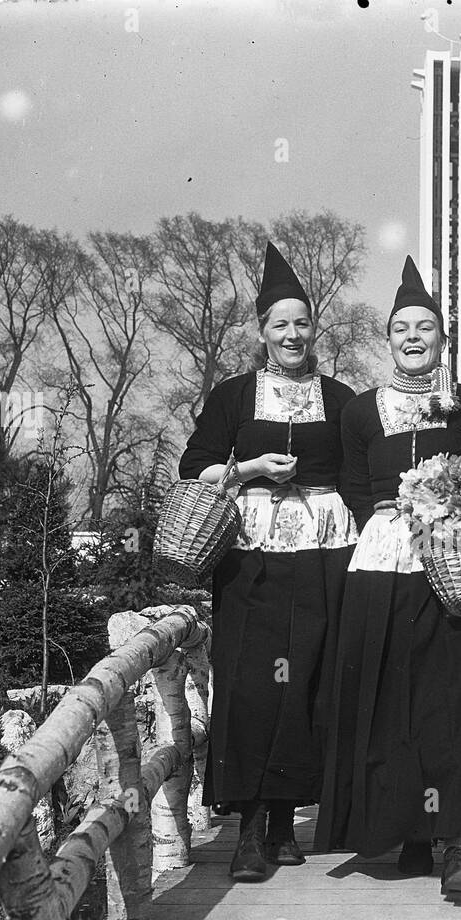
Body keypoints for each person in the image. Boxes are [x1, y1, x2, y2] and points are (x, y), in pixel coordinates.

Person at [316, 257, 461, 897]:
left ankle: (454, 840)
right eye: (401, 327)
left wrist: (451, 512)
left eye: (425, 327)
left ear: (442, 338)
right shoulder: (362, 411)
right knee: (390, 696)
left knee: (452, 697)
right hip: (383, 563)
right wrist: (389, 509)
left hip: (454, 565)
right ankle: (407, 830)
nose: (413, 337)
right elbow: (350, 480)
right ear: (388, 337)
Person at [177, 242, 357, 882]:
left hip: (323, 553)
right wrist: (247, 469)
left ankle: (286, 821)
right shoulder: (232, 396)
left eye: (302, 323)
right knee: (252, 684)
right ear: (261, 332)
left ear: (315, 330)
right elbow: (192, 465)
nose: (292, 334)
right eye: (280, 324)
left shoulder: (341, 400)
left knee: (307, 679)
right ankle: (249, 828)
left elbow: (363, 472)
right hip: (250, 556)